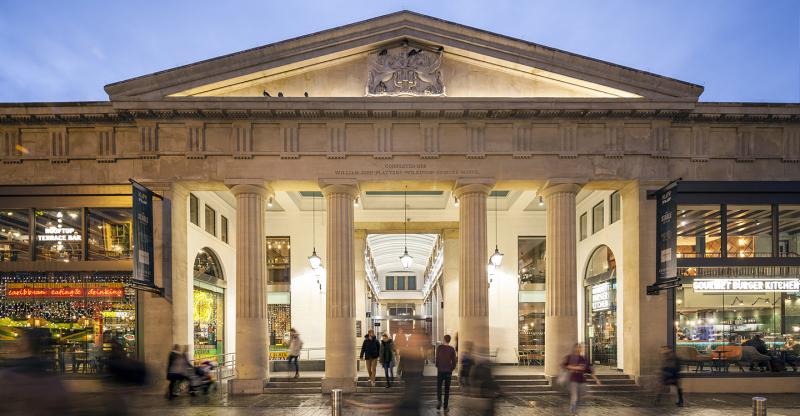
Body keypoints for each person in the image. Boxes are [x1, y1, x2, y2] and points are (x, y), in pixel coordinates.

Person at [562, 343, 600, 415]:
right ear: (575, 348)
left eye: (581, 348)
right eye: (579, 347)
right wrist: (575, 368)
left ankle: (574, 410)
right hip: (573, 380)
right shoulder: (570, 357)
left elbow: (590, 371)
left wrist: (596, 380)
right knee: (575, 397)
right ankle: (573, 412)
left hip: (582, 380)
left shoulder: (584, 359)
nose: (580, 349)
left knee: (579, 398)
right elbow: (564, 366)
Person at [435, 334, 457, 410]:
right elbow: (454, 362)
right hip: (448, 372)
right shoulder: (452, 349)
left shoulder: (439, 348)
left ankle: (439, 401)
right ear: (449, 340)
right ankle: (445, 406)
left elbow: (437, 358)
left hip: (440, 370)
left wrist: (438, 366)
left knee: (439, 387)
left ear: (444, 339)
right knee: (447, 389)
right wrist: (451, 369)